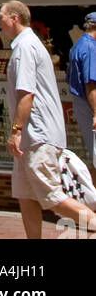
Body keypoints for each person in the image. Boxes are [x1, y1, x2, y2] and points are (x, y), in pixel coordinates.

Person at [0, 0, 96, 239]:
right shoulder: (25, 45)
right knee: (26, 195)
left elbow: (26, 92)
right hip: (31, 139)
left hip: (37, 136)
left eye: (1, 16)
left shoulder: (25, 48)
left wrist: (16, 130)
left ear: (14, 18)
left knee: (52, 197)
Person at [67, 10, 96, 177]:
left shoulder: (78, 45)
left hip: (82, 105)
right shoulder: (91, 47)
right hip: (89, 106)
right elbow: (90, 84)